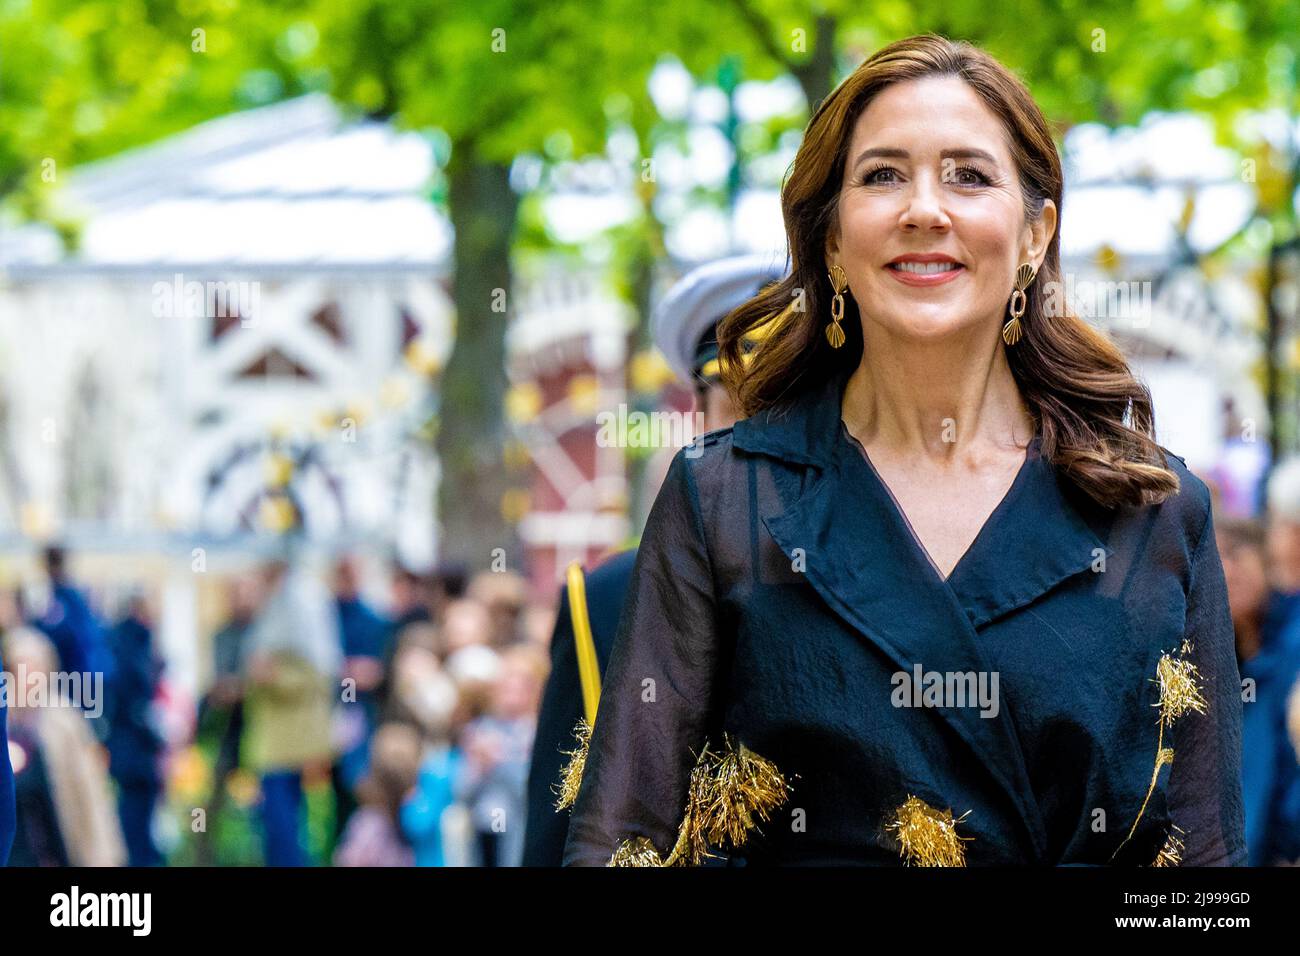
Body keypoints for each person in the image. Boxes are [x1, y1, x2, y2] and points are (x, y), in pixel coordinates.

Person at [563, 35, 1245, 867]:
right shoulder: (725, 497)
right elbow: (620, 837)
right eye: (883, 175)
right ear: (833, 241)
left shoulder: (1156, 509)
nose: (925, 208)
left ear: (1036, 234)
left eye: (969, 175)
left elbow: (1207, 867)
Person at [522, 255, 785, 866]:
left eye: (793, 406)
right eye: (741, 407)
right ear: (701, 413)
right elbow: (555, 833)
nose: (769, 437)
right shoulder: (609, 597)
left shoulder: (888, 569)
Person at [243, 553, 342, 866]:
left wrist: (273, 676)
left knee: (285, 830)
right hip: (274, 744)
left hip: (291, 745)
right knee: (276, 829)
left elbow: (316, 676)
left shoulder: (303, 603)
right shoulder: (278, 606)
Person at [104, 592, 166, 866]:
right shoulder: (136, 641)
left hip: (125, 750)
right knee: (138, 820)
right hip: (136, 752)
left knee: (132, 816)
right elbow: (137, 701)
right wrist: (157, 735)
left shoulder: (116, 642)